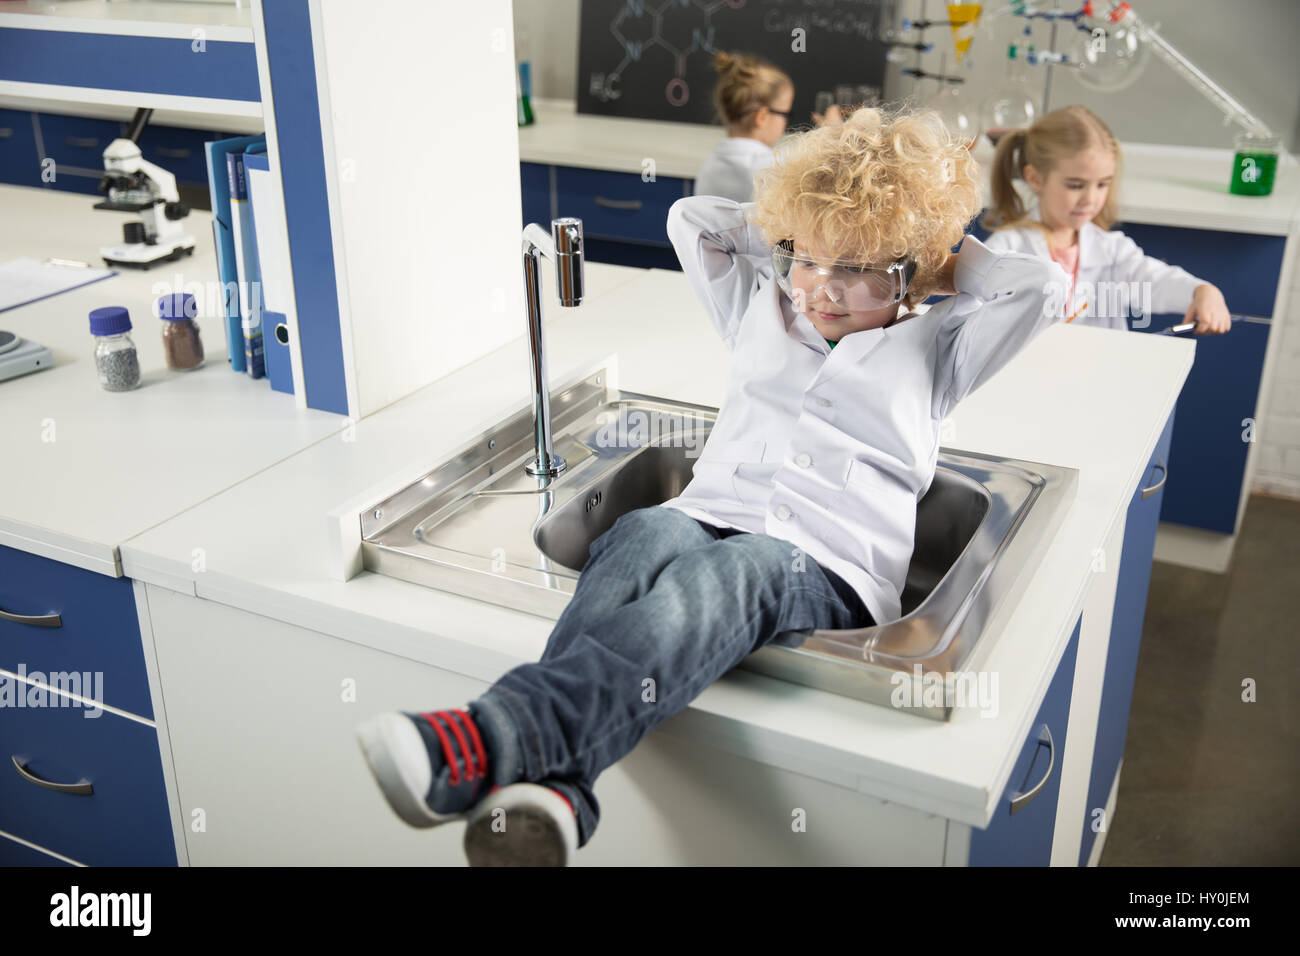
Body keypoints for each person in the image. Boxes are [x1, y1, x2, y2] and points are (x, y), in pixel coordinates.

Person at [355, 107, 1068, 866]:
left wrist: (934, 259)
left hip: (830, 559)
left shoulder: (939, 348)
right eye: (806, 258)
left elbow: (1040, 291)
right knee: (640, 534)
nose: (823, 290)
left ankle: (496, 735)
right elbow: (691, 219)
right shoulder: (762, 304)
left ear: (912, 269)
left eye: (858, 270)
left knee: (741, 570)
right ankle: (560, 791)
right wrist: (809, 226)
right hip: (710, 510)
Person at [982, 105, 1231, 333]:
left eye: (1102, 184)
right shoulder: (1005, 249)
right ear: (1036, 179)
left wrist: (1202, 291)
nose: (1090, 199)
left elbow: (1154, 281)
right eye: (1075, 185)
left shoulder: (1112, 251)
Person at [693, 51, 793, 202]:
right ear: (762, 117)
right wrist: (832, 133)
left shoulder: (708, 169)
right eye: (785, 114)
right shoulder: (773, 168)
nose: (785, 122)